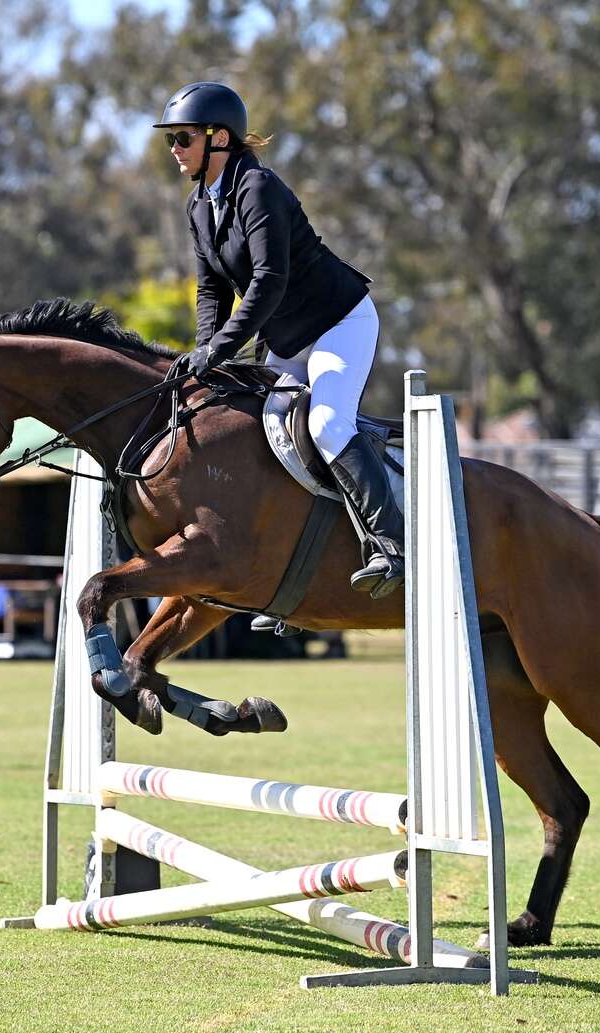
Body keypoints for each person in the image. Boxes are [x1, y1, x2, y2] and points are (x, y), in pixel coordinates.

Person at [153, 81, 400, 628]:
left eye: (183, 138)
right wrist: (205, 352)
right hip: (287, 340)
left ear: (219, 138)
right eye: (171, 139)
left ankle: (391, 543)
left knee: (328, 424)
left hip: (338, 323)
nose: (174, 149)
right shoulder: (199, 205)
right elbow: (211, 291)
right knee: (260, 437)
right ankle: (292, 573)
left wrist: (222, 348)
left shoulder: (257, 188)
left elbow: (268, 279)